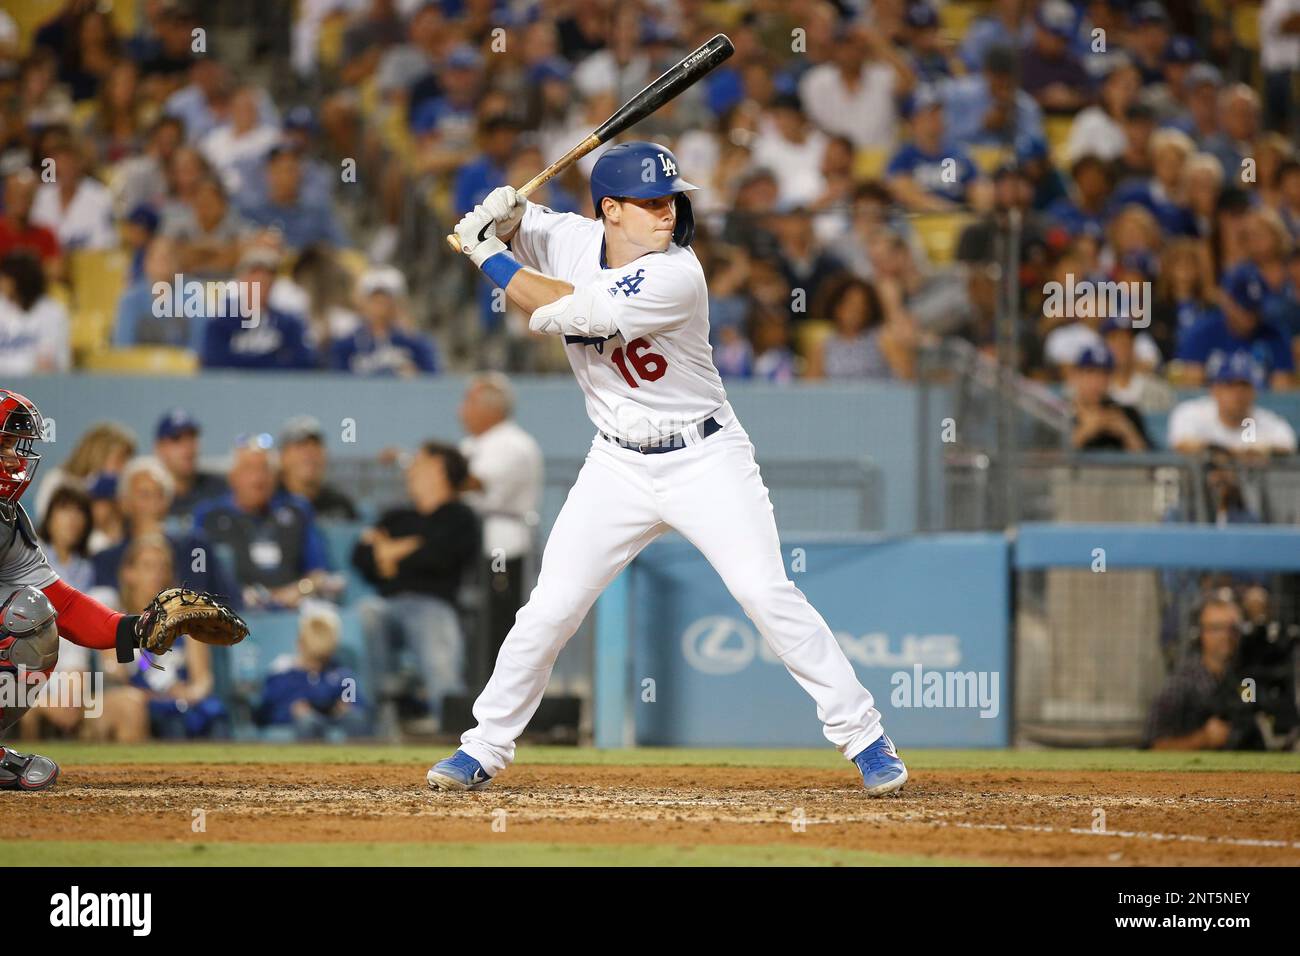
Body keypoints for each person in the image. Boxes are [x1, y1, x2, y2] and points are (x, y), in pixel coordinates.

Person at [432, 142, 908, 794]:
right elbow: (522, 222)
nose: (668, 212)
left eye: (670, 199)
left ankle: (866, 737)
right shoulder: (571, 236)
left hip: (704, 457)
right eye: (651, 202)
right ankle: (482, 748)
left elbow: (576, 313)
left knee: (765, 592)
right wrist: (503, 212)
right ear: (610, 210)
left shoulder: (677, 274)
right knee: (550, 609)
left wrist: (488, 251)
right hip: (617, 464)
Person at [0, 389, 177, 789]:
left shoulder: (7, 521)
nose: (17, 457)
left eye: (17, 446)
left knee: (34, 614)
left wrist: (131, 629)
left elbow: (62, 604)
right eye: (8, 445)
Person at [353, 442, 480, 735]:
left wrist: (391, 551)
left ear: (439, 469)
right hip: (386, 603)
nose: (410, 470)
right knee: (366, 613)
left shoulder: (460, 516)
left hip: (433, 604)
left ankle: (455, 731)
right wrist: (408, 550)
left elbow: (442, 557)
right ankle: (379, 720)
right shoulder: (397, 516)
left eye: (419, 463)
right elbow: (360, 556)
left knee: (435, 634)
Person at [95, 534, 227, 741]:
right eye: (148, 567)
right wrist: (157, 695)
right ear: (129, 574)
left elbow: (203, 679)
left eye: (163, 567)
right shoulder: (116, 622)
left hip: (183, 703)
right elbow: (116, 674)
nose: (157, 574)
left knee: (213, 717)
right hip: (144, 703)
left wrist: (190, 694)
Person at [457, 375, 543, 683]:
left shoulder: (514, 443)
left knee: (500, 621)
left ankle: (502, 688)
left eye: (468, 402)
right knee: (474, 622)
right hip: (472, 540)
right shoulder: (470, 444)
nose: (461, 410)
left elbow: (475, 483)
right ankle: (474, 688)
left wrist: (430, 470)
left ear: (490, 408)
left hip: (504, 545)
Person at [193, 438, 338, 610]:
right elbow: (197, 575)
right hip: (231, 610)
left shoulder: (298, 511)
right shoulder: (208, 516)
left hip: (293, 608)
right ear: (232, 476)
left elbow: (319, 572)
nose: (258, 478)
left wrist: (299, 590)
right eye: (249, 469)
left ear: (276, 476)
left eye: (265, 469)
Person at [90, 455, 239, 605]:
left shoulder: (196, 550)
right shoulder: (106, 560)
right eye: (145, 495)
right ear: (125, 503)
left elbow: (227, 600)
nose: (154, 503)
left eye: (160, 494)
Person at [1145, 590, 1257, 750]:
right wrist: (1203, 738)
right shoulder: (1181, 683)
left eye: (1233, 628)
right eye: (1217, 628)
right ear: (1200, 633)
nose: (1226, 636)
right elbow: (1153, 745)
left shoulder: (1246, 679)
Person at [255, 601, 368, 741]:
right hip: (298, 726)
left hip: (333, 720)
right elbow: (265, 713)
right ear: (300, 645)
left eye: (322, 660)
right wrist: (292, 711)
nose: (316, 666)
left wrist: (346, 706)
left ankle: (356, 762)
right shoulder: (282, 675)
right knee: (307, 722)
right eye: (312, 660)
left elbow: (357, 704)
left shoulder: (342, 676)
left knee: (355, 718)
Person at [200, 246, 317, 370]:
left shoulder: (288, 324)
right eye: (254, 277)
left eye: (267, 279)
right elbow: (213, 361)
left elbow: (302, 361)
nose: (261, 283)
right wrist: (271, 360)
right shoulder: (221, 324)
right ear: (242, 280)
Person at [1167, 352, 1299, 456]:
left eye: (1244, 385)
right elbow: (1181, 443)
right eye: (1230, 385)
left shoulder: (1267, 421)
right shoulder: (1190, 412)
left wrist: (1265, 451)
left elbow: (1287, 444)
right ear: (1215, 389)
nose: (1238, 393)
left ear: (1254, 392)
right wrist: (1226, 453)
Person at [330, 266, 438, 376]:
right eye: (374, 300)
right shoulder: (346, 345)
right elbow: (336, 382)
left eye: (386, 300)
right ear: (363, 302)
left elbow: (433, 381)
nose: (380, 307)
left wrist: (415, 376)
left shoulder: (416, 344)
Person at [1067, 344, 1150, 451]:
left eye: (1104, 375)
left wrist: (1127, 433)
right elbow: (1047, 460)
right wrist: (1083, 433)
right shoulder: (1059, 416)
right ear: (1076, 376)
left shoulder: (1127, 413)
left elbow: (1148, 461)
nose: (1096, 382)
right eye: (1090, 372)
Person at [0, 250, 70, 375]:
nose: (2, 283)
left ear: (19, 280)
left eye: (5, 278)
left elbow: (47, 364)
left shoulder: (52, 312)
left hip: (39, 386)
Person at [276, 416, 358, 521]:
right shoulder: (267, 505)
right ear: (282, 456)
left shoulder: (339, 506)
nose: (310, 453)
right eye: (301, 445)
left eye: (316, 446)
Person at [152, 409, 226, 519]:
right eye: (177, 439)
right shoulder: (149, 495)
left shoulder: (219, 490)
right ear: (159, 448)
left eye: (192, 438)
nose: (187, 447)